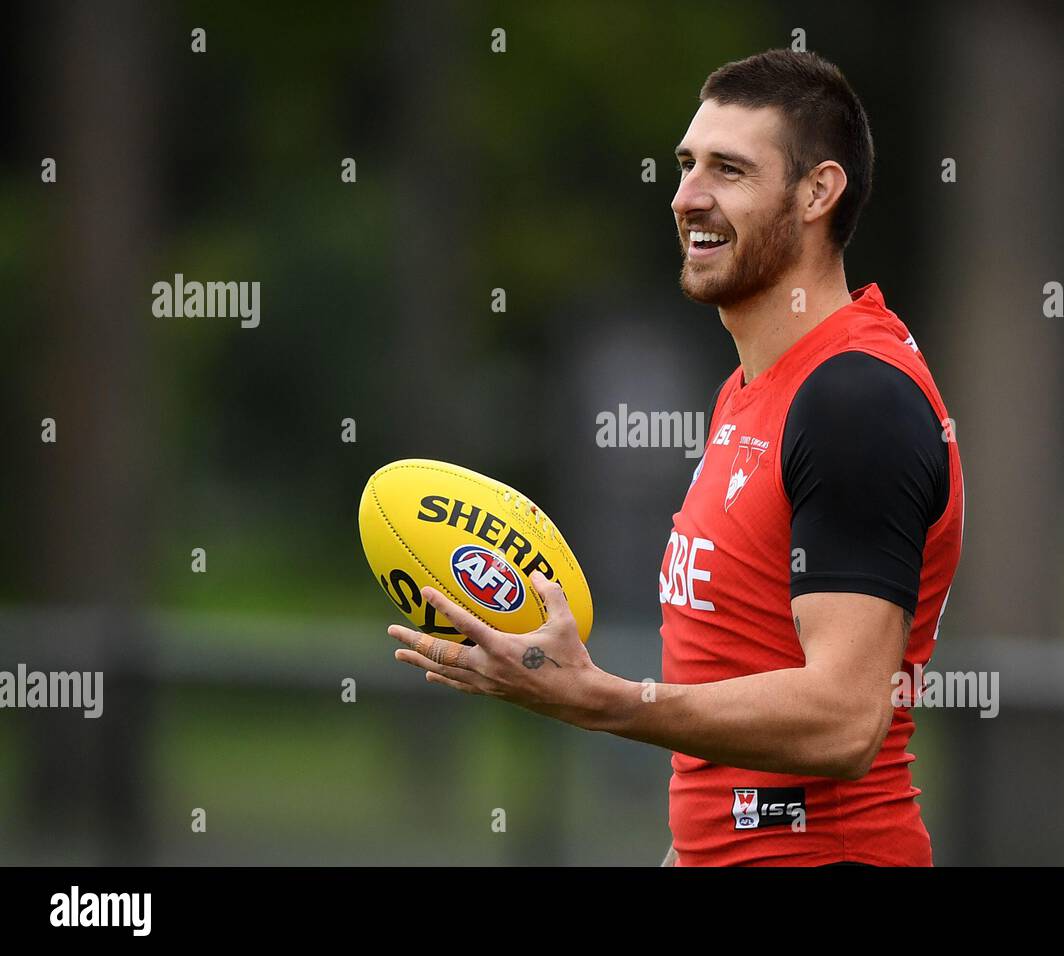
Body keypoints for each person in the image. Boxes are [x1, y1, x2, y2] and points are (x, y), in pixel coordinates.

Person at [388, 48, 964, 867]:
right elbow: (723, 776)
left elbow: (844, 719)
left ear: (817, 192)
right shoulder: (752, 392)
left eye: (729, 169)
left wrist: (602, 701)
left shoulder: (853, 400)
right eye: (687, 164)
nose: (688, 195)